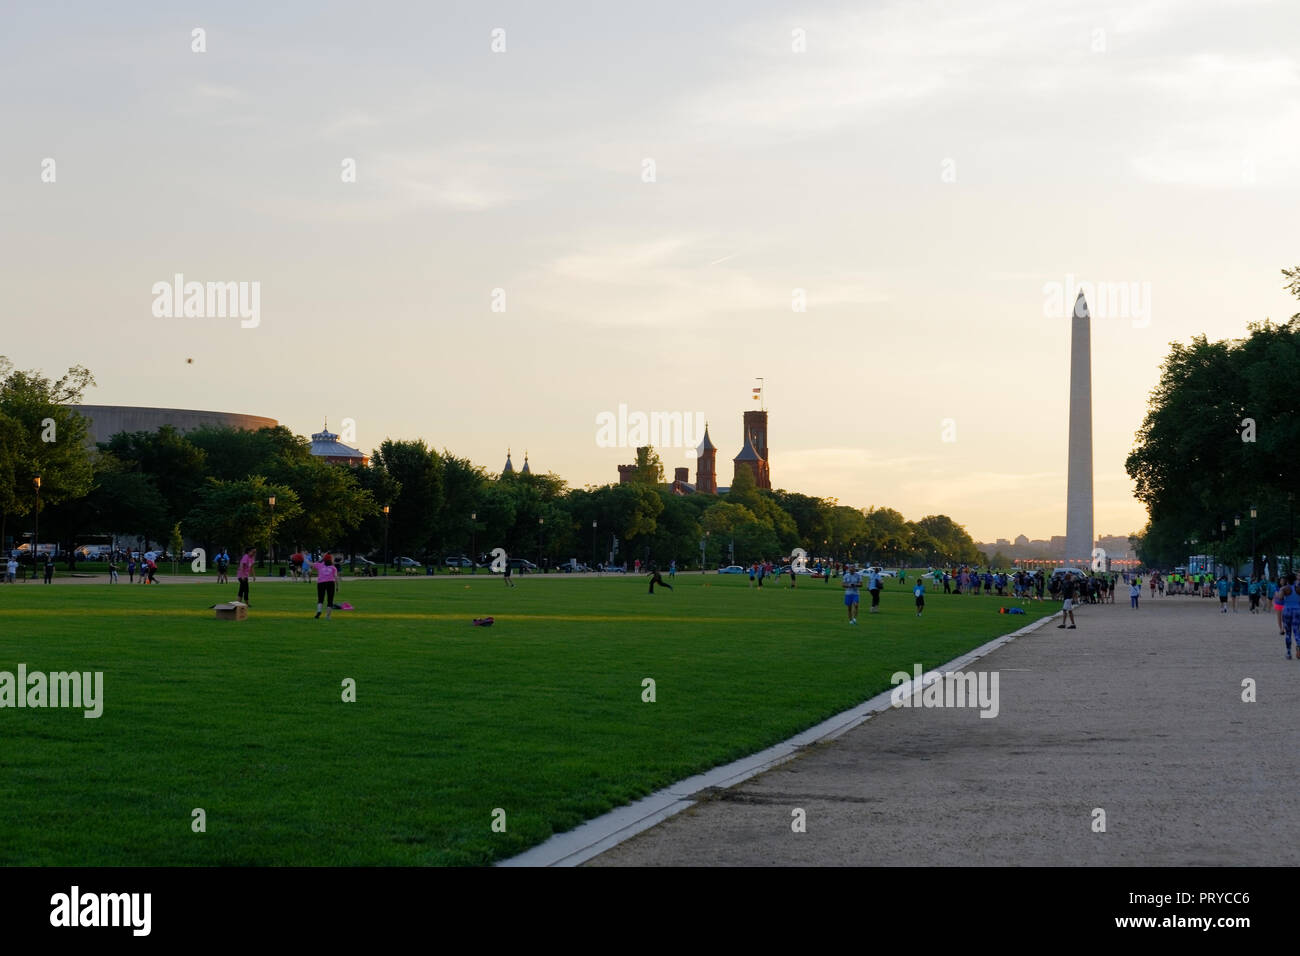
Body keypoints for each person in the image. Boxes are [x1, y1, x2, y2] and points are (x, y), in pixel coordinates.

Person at [311, 553, 339, 619]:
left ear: (324, 559)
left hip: (321, 583)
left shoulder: (319, 565)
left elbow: (312, 565)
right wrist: (337, 587)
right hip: (331, 583)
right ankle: (328, 616)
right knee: (330, 600)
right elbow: (336, 577)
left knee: (320, 598)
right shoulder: (333, 567)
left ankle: (319, 611)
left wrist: (320, 560)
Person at [1280, 574, 1300, 660]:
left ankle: (1288, 653)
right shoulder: (1298, 588)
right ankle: (1299, 645)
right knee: (1296, 630)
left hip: (1287, 610)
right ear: (1295, 580)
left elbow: (1280, 598)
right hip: (1297, 610)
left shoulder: (1284, 589)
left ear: (1287, 580)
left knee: (1288, 632)